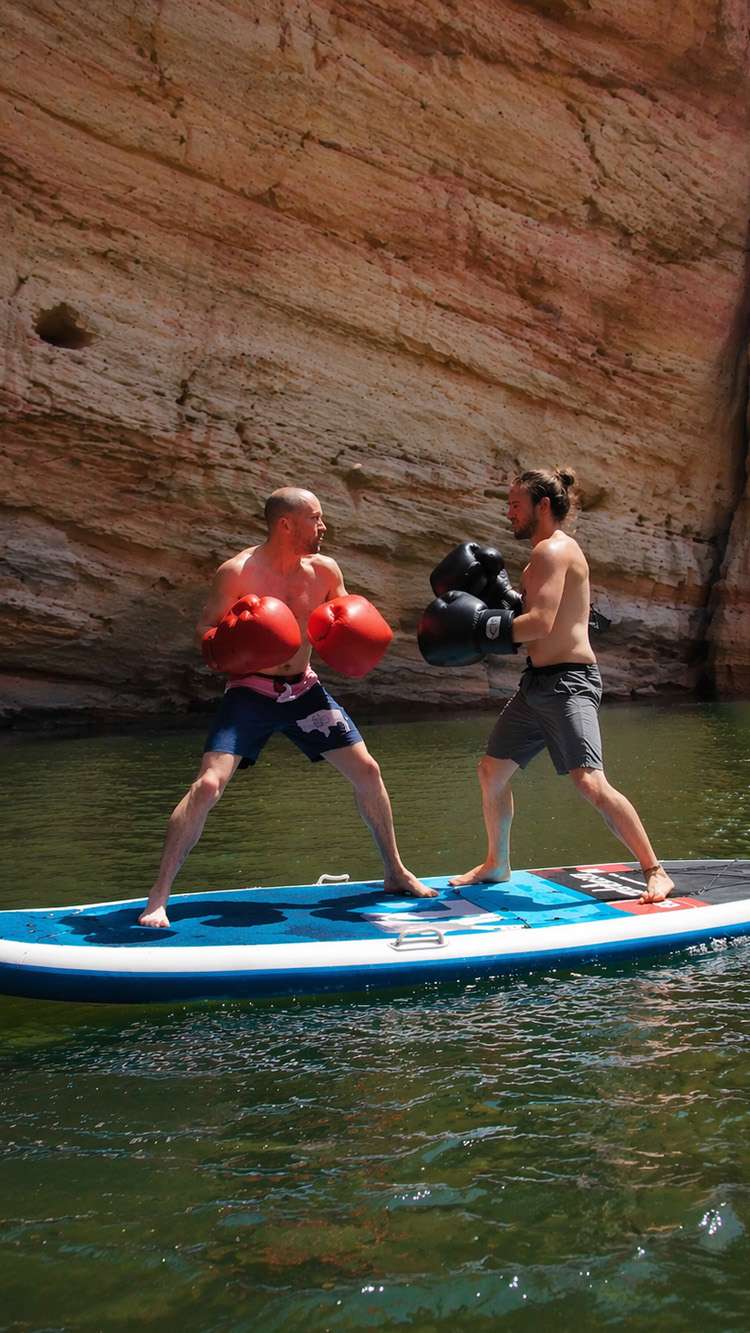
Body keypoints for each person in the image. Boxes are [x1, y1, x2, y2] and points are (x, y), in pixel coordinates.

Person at [138, 487, 436, 927]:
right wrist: (228, 641)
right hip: (249, 692)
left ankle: (395, 872)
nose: (324, 527)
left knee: (368, 771)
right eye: (316, 519)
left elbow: (345, 621)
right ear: (286, 524)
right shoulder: (237, 572)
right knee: (207, 785)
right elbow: (206, 630)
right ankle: (157, 899)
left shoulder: (325, 570)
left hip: (305, 691)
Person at [422, 468, 675, 905]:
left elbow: (539, 625)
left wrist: (480, 626)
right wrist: (506, 598)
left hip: (569, 683)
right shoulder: (540, 557)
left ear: (542, 505)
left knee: (590, 782)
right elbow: (536, 612)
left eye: (515, 505)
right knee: (491, 772)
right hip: (537, 683)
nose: (509, 514)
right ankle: (497, 864)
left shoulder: (555, 551)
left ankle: (655, 870)